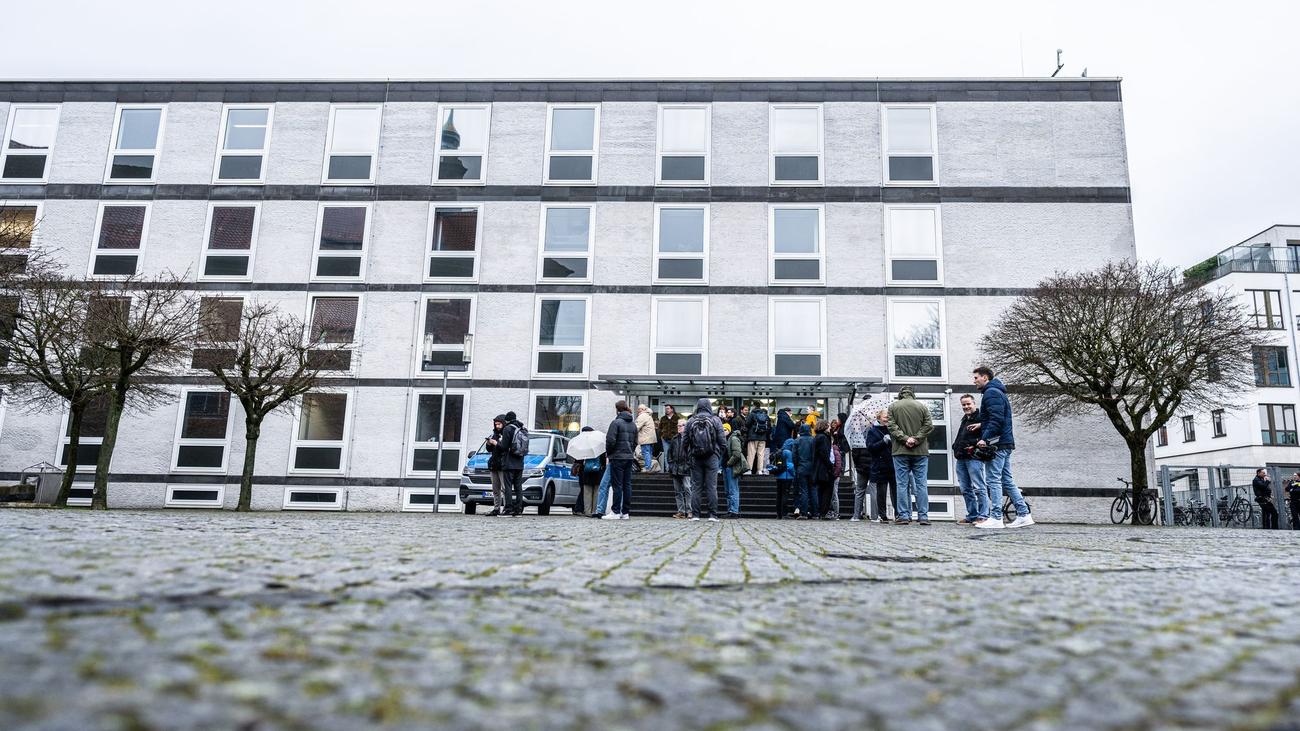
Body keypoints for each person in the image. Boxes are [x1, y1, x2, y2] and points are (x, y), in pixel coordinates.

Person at [973, 366, 1034, 529]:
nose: (974, 381)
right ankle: (1024, 514)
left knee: (993, 479)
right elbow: (998, 418)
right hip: (1004, 442)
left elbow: (997, 420)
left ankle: (996, 518)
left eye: (976, 377)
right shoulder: (997, 391)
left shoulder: (991, 393)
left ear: (985, 377)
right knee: (1006, 480)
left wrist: (985, 438)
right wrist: (981, 425)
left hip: (997, 444)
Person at [888, 387, 932, 526]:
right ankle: (923, 516)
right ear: (913, 394)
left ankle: (904, 516)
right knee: (921, 484)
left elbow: (891, 426)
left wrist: (905, 439)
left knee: (902, 484)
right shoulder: (922, 406)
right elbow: (928, 425)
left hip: (900, 451)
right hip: (920, 451)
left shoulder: (893, 407)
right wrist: (916, 439)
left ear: (900, 395)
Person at [684, 397, 726, 521]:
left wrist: (689, 454)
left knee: (696, 487)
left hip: (695, 457)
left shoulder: (691, 420)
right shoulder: (715, 420)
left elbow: (685, 441)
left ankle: (695, 515)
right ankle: (712, 515)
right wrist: (718, 454)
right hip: (712, 456)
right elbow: (722, 441)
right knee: (711, 486)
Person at [952, 394, 990, 525]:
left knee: (979, 487)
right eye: (963, 404)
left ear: (974, 404)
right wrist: (955, 447)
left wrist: (974, 445)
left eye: (968, 404)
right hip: (961, 458)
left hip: (974, 458)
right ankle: (972, 515)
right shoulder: (965, 419)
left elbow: (989, 432)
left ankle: (983, 515)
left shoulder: (980, 418)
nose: (966, 406)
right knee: (965, 489)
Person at [605, 401, 638, 520]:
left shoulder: (616, 423)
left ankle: (615, 511)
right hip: (629, 457)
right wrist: (630, 452)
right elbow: (635, 442)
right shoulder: (633, 424)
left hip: (617, 457)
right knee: (627, 484)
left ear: (617, 409)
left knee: (617, 485)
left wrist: (609, 454)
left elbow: (610, 441)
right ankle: (625, 512)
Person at [864, 410, 896, 523]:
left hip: (893, 465)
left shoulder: (893, 429)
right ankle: (883, 515)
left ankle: (898, 514)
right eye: (885, 417)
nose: (887, 419)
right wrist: (883, 441)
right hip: (880, 466)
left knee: (896, 491)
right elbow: (870, 448)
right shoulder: (873, 431)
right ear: (879, 418)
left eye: (889, 417)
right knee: (881, 492)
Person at [572, 426, 604, 517]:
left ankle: (587, 511)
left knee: (586, 492)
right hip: (597, 472)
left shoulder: (580, 445)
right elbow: (603, 459)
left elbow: (578, 460)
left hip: (585, 472)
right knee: (596, 492)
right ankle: (594, 511)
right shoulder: (599, 444)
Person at [499, 411, 527, 517]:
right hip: (519, 462)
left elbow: (504, 447)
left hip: (509, 462)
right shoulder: (522, 428)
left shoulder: (507, 429)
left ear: (507, 420)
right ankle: (518, 509)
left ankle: (508, 509)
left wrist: (497, 443)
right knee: (518, 487)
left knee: (508, 486)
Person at [667, 420, 694, 519]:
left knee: (687, 489)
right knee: (677, 491)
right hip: (675, 468)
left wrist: (689, 465)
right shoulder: (674, 439)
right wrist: (671, 465)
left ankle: (690, 510)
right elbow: (669, 453)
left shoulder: (690, 439)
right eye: (678, 425)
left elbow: (692, 454)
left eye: (680, 426)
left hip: (686, 468)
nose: (678, 427)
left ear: (686, 427)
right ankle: (681, 511)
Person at [793, 423, 817, 519]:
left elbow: (794, 456)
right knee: (813, 490)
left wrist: (797, 466)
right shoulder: (813, 440)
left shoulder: (797, 441)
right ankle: (815, 513)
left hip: (801, 467)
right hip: (812, 468)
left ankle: (804, 513)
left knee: (803, 490)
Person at [813, 420, 836, 519]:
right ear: (825, 427)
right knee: (827, 491)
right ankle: (824, 512)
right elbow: (824, 453)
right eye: (828, 425)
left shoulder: (817, 437)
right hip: (824, 468)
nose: (830, 427)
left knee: (821, 491)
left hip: (818, 468)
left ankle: (821, 512)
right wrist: (830, 465)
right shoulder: (824, 437)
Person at [723, 423, 746, 518]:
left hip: (732, 467)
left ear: (729, 430)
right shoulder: (726, 439)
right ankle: (730, 510)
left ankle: (734, 511)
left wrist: (729, 463)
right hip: (726, 467)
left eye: (725, 429)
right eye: (722, 429)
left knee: (733, 489)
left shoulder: (733, 438)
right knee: (728, 490)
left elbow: (737, 453)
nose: (723, 431)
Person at [485, 415, 507, 517]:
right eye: (496, 424)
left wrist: (496, 443)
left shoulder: (506, 434)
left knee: (504, 488)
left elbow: (504, 448)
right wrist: (489, 443)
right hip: (494, 464)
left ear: (503, 423)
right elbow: (489, 450)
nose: (497, 426)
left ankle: (506, 508)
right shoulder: (494, 434)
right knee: (495, 489)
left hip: (503, 464)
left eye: (499, 424)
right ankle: (496, 508)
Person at [745, 405, 772, 475]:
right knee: (761, 454)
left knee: (751, 454)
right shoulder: (765, 415)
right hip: (763, 438)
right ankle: (760, 470)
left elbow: (747, 424)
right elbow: (769, 427)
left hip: (752, 438)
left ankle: (749, 470)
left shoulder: (752, 414)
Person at [773, 437, 796, 518]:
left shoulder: (780, 451)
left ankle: (778, 513)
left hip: (779, 476)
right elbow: (790, 465)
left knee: (779, 495)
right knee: (785, 495)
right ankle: (784, 513)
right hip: (787, 477)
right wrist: (794, 474)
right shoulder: (788, 452)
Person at [635, 404, 656, 472]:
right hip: (651, 438)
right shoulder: (648, 415)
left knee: (645, 453)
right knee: (649, 453)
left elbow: (637, 427)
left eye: (639, 409)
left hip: (645, 438)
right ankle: (649, 467)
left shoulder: (642, 416)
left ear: (642, 409)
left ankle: (647, 468)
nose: (637, 411)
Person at [657, 404, 679, 470]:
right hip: (665, 439)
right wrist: (661, 436)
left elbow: (680, 427)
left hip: (674, 439)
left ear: (672, 409)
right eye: (666, 409)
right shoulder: (663, 418)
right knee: (666, 454)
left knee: (675, 454)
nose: (666, 410)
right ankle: (668, 469)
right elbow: (660, 428)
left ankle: (674, 468)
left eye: (668, 408)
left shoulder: (677, 418)